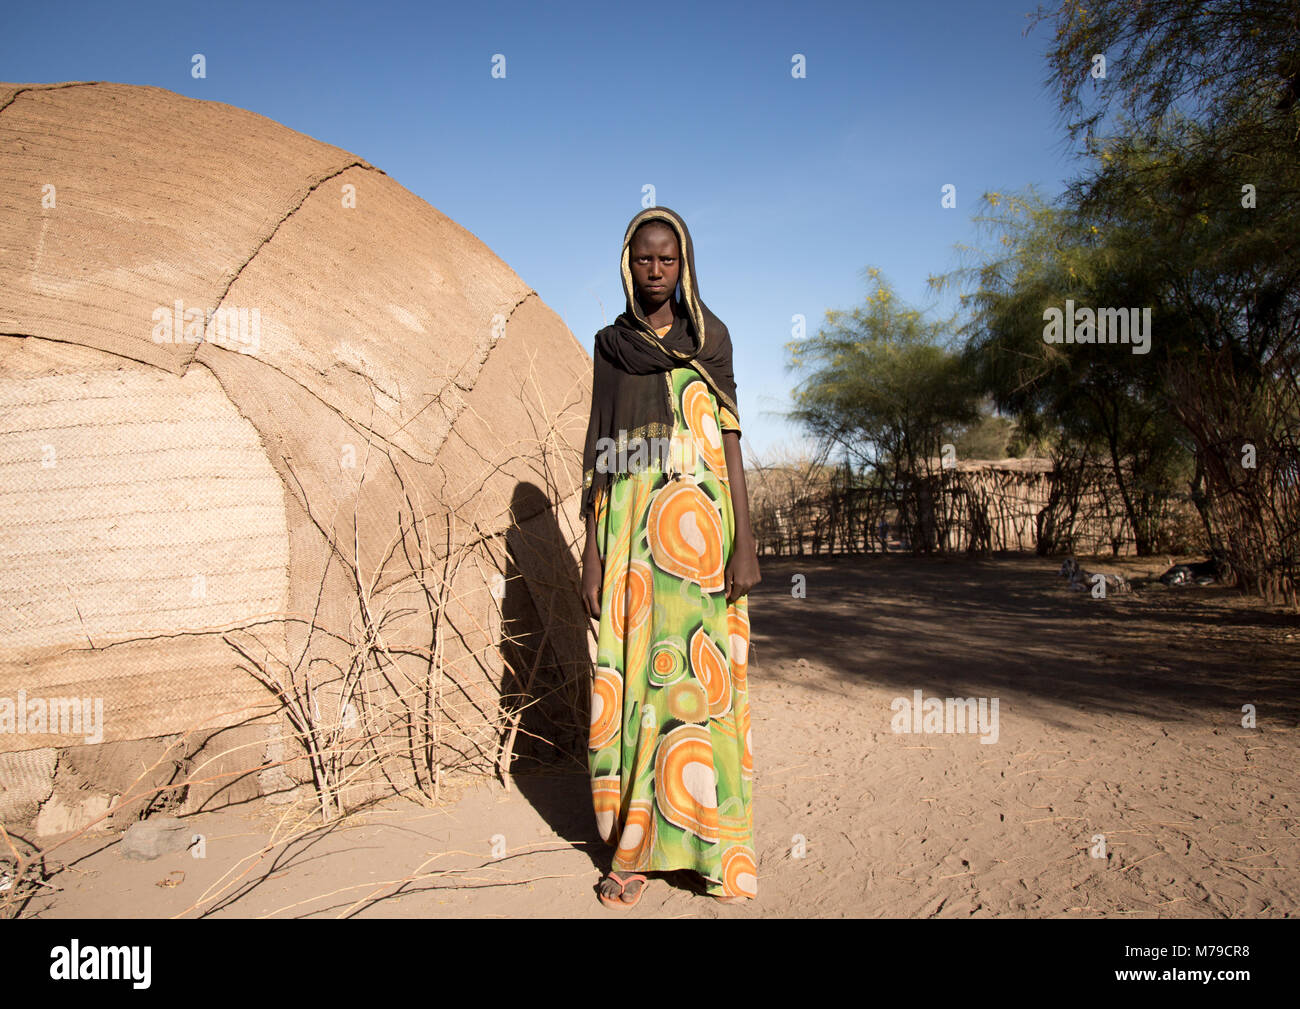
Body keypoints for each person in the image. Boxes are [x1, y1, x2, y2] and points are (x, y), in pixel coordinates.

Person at [579, 206, 761, 907]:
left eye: (668, 259)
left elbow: (733, 446)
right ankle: (633, 847)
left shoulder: (711, 342)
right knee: (637, 688)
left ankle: (703, 845)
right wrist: (591, 554)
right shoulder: (610, 345)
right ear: (629, 263)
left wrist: (747, 540)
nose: (655, 270)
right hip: (629, 535)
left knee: (698, 686)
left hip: (705, 538)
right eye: (644, 258)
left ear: (683, 266)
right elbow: (598, 447)